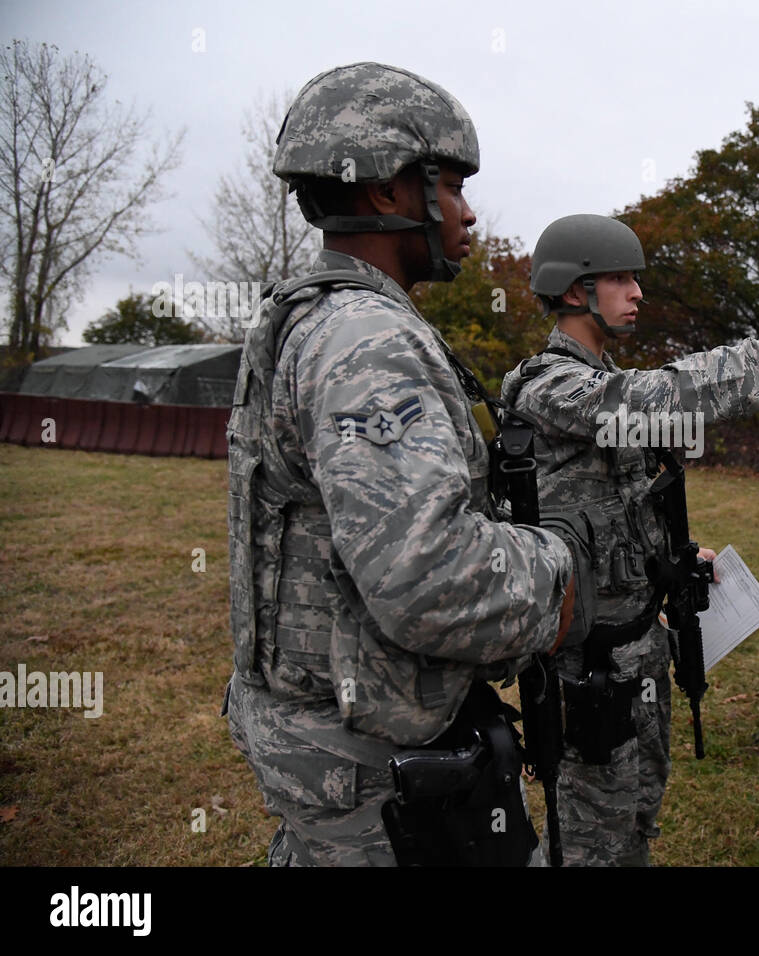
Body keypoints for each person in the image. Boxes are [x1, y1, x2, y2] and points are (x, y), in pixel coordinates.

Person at [223, 62, 574, 867]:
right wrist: (560, 571)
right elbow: (427, 577)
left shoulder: (309, 314)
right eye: (449, 186)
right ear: (389, 192)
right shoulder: (364, 338)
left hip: (330, 752)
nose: (468, 212)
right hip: (375, 777)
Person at [499, 213, 759, 865]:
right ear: (575, 291)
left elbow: (615, 503)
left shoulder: (601, 381)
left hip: (638, 646)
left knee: (636, 818)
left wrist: (670, 560)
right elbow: (675, 393)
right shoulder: (554, 387)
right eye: (621, 279)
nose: (637, 293)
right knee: (587, 841)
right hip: (588, 666)